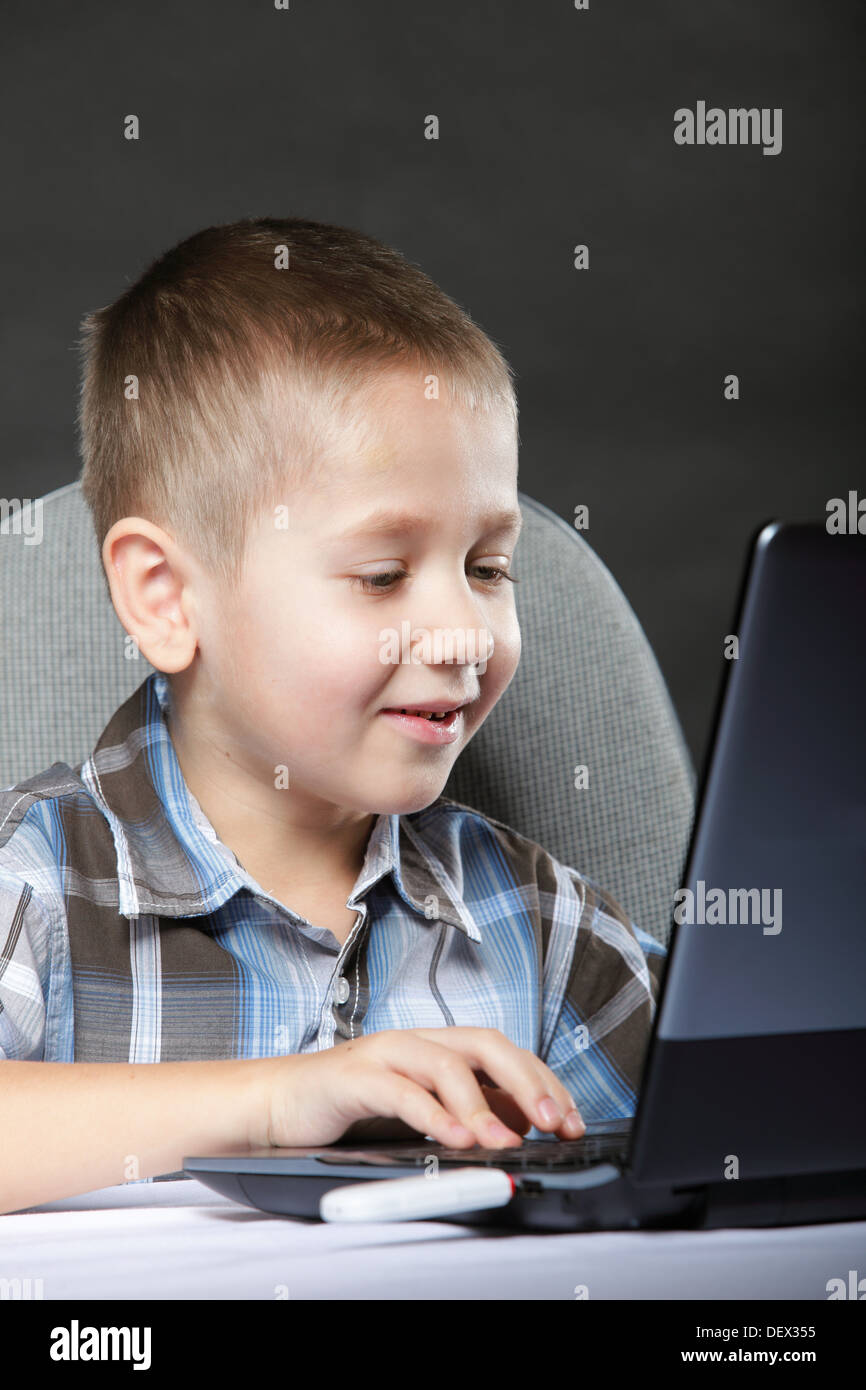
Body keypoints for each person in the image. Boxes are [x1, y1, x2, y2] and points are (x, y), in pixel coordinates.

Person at [0, 217, 665, 1214]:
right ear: (167, 599)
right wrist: (271, 1100)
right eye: (382, 575)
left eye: (487, 567)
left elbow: (724, 1149)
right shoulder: (37, 883)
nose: (460, 636)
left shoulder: (539, 920)